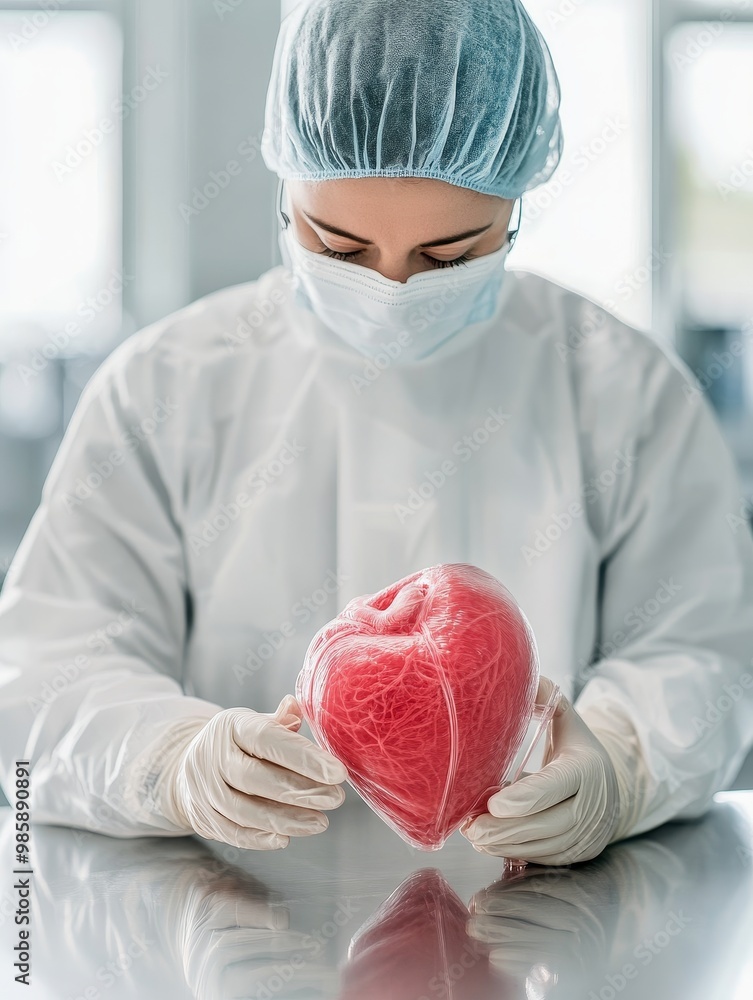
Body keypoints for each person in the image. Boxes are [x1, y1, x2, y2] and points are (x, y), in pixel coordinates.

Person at [0, 0, 752, 865]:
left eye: (450, 257)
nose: (392, 290)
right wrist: (169, 761)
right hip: (225, 928)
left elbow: (699, 648)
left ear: (515, 210)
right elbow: (50, 671)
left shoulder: (623, 391)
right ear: (284, 189)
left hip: (537, 933)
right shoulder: (164, 387)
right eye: (340, 246)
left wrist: (621, 763)